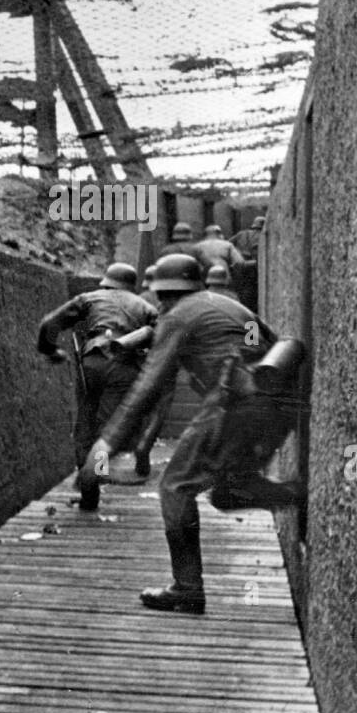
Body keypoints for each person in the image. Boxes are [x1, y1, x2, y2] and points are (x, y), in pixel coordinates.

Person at [78, 254, 301, 612]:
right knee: (229, 492)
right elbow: (271, 344)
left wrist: (105, 445)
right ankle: (299, 495)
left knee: (175, 486)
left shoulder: (178, 316)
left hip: (235, 403)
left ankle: (187, 588)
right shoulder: (227, 305)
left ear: (164, 293)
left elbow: (147, 387)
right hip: (279, 404)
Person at [37, 263, 158, 506]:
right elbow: (160, 336)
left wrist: (50, 350)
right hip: (124, 367)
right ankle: (94, 477)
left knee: (85, 424)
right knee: (106, 429)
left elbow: (49, 324)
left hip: (91, 364)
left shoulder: (88, 299)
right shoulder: (145, 307)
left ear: (107, 281)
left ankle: (89, 491)